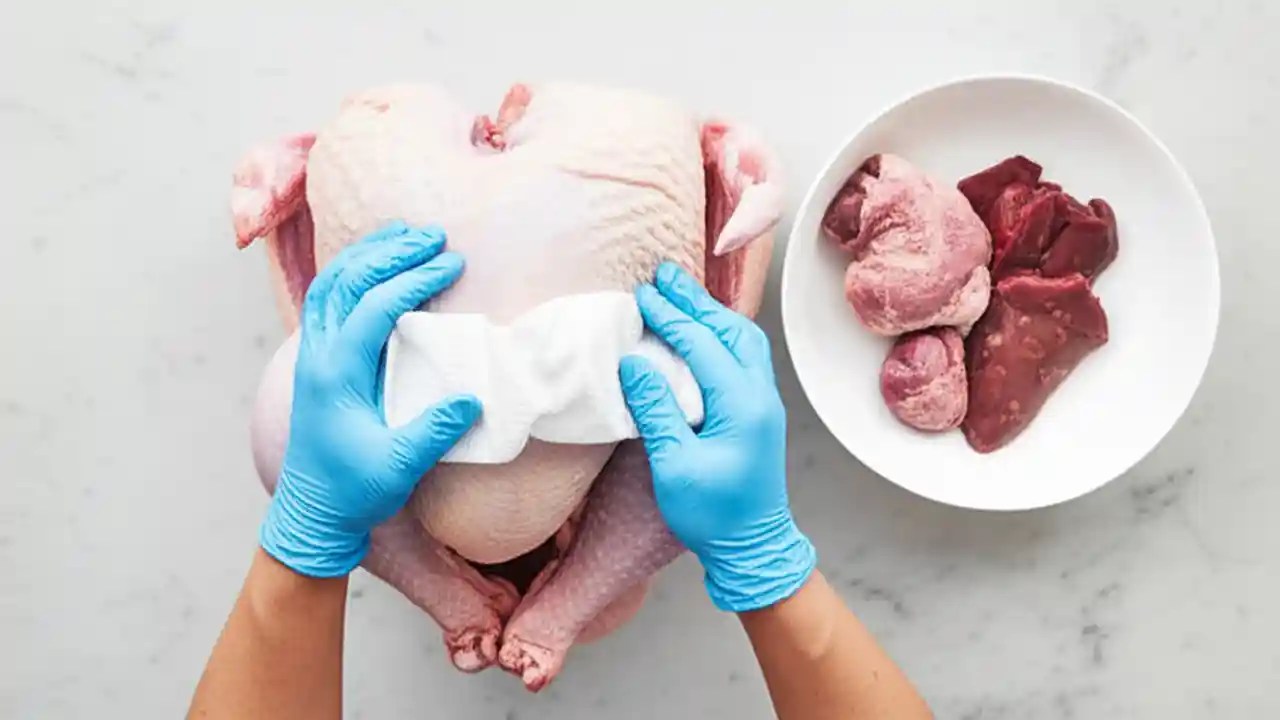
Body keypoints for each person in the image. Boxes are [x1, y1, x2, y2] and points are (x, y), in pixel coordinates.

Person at [188, 225, 933, 720]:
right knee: (690, 393)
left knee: (290, 410)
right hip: (562, 392)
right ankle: (495, 591)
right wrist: (770, 571)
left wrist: (308, 539)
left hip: (514, 421)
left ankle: (531, 596)